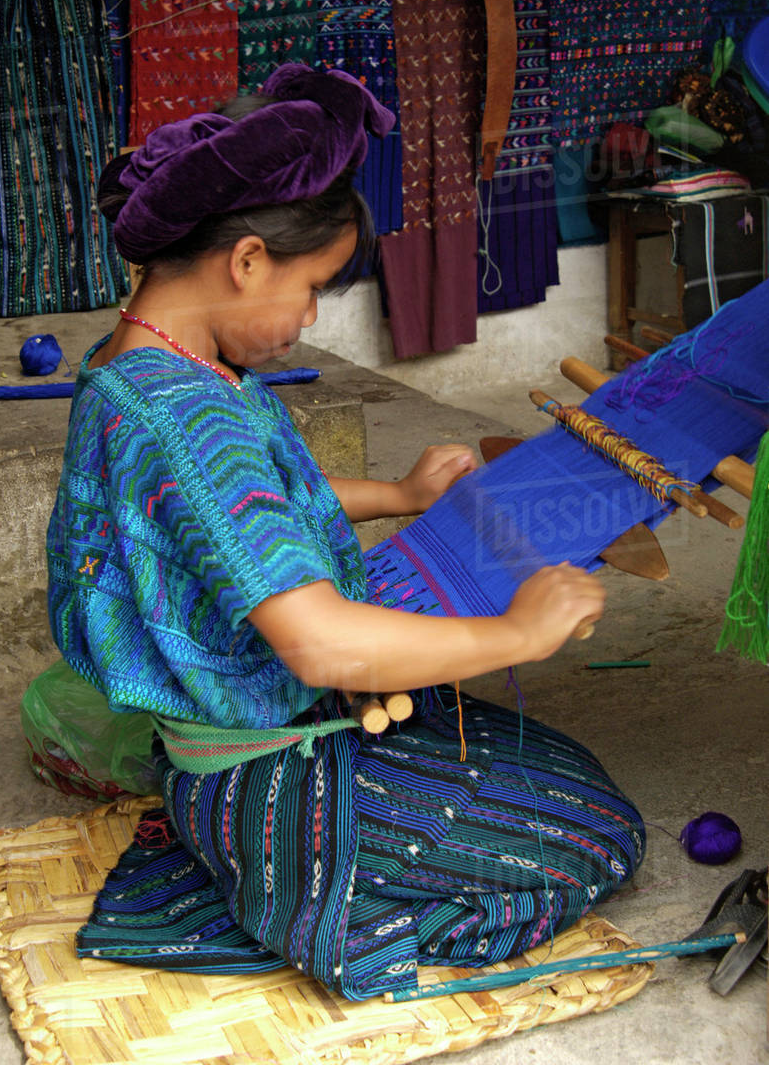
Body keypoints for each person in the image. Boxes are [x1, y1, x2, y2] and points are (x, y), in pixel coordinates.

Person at [46, 63, 644, 1000]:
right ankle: (292, 892)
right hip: (267, 773)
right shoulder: (180, 416)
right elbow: (319, 643)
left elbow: (238, 513)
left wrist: (399, 491)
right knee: (595, 840)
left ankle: (271, 853)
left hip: (246, 741)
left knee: (561, 770)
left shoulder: (148, 368)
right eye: (315, 287)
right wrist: (517, 635)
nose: (311, 316)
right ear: (246, 260)